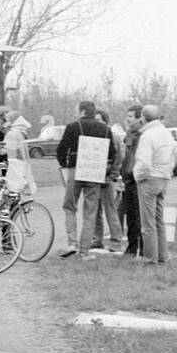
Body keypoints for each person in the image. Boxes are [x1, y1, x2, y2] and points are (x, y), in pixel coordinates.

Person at [55, 101, 118, 259]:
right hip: (95, 172)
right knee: (90, 212)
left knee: (70, 206)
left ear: (82, 111)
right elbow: (112, 153)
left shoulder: (72, 127)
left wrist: (65, 164)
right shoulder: (105, 129)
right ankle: (85, 251)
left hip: (76, 169)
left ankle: (72, 243)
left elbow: (61, 149)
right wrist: (105, 169)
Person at [134, 104, 176, 265]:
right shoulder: (167, 134)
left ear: (143, 118)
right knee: (159, 220)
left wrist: (139, 176)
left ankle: (150, 257)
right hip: (163, 178)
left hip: (149, 179)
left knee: (148, 222)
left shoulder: (147, 136)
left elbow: (144, 163)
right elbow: (173, 157)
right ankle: (162, 255)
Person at [90, 109, 125, 251]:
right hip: (93, 178)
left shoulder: (114, 136)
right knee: (94, 210)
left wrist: (114, 174)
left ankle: (116, 241)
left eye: (99, 120)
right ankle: (96, 239)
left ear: (105, 121)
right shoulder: (91, 136)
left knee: (110, 210)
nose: (96, 123)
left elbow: (120, 156)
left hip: (107, 178)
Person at [119, 106, 143, 257]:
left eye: (131, 116)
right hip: (127, 180)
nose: (128, 119)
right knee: (130, 216)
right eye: (127, 116)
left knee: (139, 215)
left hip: (138, 180)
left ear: (139, 119)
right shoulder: (128, 134)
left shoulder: (143, 135)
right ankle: (131, 246)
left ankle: (144, 247)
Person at [3, 111, 37, 196]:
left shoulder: (13, 133)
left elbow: (7, 147)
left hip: (14, 163)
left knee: (13, 187)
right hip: (21, 162)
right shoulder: (21, 131)